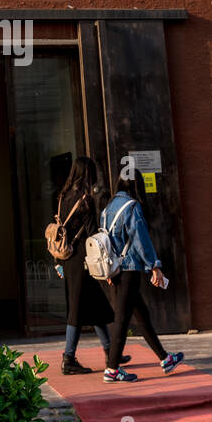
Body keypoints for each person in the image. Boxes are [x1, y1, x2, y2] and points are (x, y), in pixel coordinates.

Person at [101, 173, 184, 382]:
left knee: (142, 315)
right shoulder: (131, 207)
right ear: (136, 187)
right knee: (122, 319)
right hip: (129, 269)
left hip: (115, 269)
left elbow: (105, 239)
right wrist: (154, 266)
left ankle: (165, 359)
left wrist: (108, 271)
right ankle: (112, 369)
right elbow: (141, 239)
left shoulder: (107, 208)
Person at [54, 157, 127, 375]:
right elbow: (92, 231)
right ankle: (68, 359)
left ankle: (110, 351)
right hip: (82, 261)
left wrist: (58, 262)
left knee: (95, 304)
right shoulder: (84, 199)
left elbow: (61, 229)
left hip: (68, 259)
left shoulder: (63, 196)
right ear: (88, 174)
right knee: (76, 310)